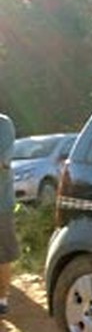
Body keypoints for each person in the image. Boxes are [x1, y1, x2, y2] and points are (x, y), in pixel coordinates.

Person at [0, 113, 17, 315]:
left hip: (1, 205)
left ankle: (2, 299)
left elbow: (3, 161)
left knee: (2, 254)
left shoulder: (3, 124)